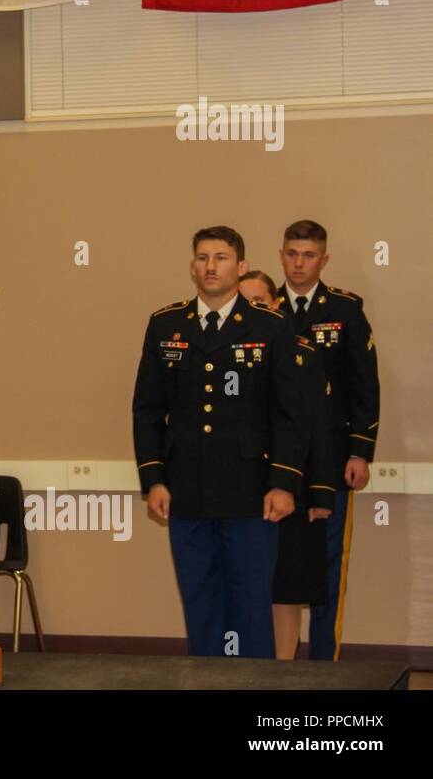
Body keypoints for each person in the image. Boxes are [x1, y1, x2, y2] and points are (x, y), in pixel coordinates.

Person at [132, 227, 306, 660]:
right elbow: (148, 410)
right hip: (186, 491)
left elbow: (291, 415)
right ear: (193, 266)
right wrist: (154, 478)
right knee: (201, 603)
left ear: (241, 266)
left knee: (249, 606)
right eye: (203, 257)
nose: (211, 266)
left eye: (222, 257)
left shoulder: (271, 326)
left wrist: (283, 482)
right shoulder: (166, 324)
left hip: (251, 493)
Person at [275, 219, 379, 661]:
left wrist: (360, 450)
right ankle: (275, 662)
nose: (299, 263)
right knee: (276, 566)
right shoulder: (263, 307)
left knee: (329, 566)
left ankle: (323, 665)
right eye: (292, 253)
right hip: (277, 462)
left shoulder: (346, 310)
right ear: (281, 255)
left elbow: (364, 385)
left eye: (309, 255)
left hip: (333, 460)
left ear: (324, 259)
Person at [238, 270, 332, 660]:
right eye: (244, 304)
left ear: (277, 303)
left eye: (260, 302)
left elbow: (317, 427)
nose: (253, 311)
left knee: (286, 589)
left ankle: (280, 674)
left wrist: (321, 490)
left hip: (293, 485)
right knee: (245, 587)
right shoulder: (225, 352)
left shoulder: (301, 354)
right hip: (242, 488)